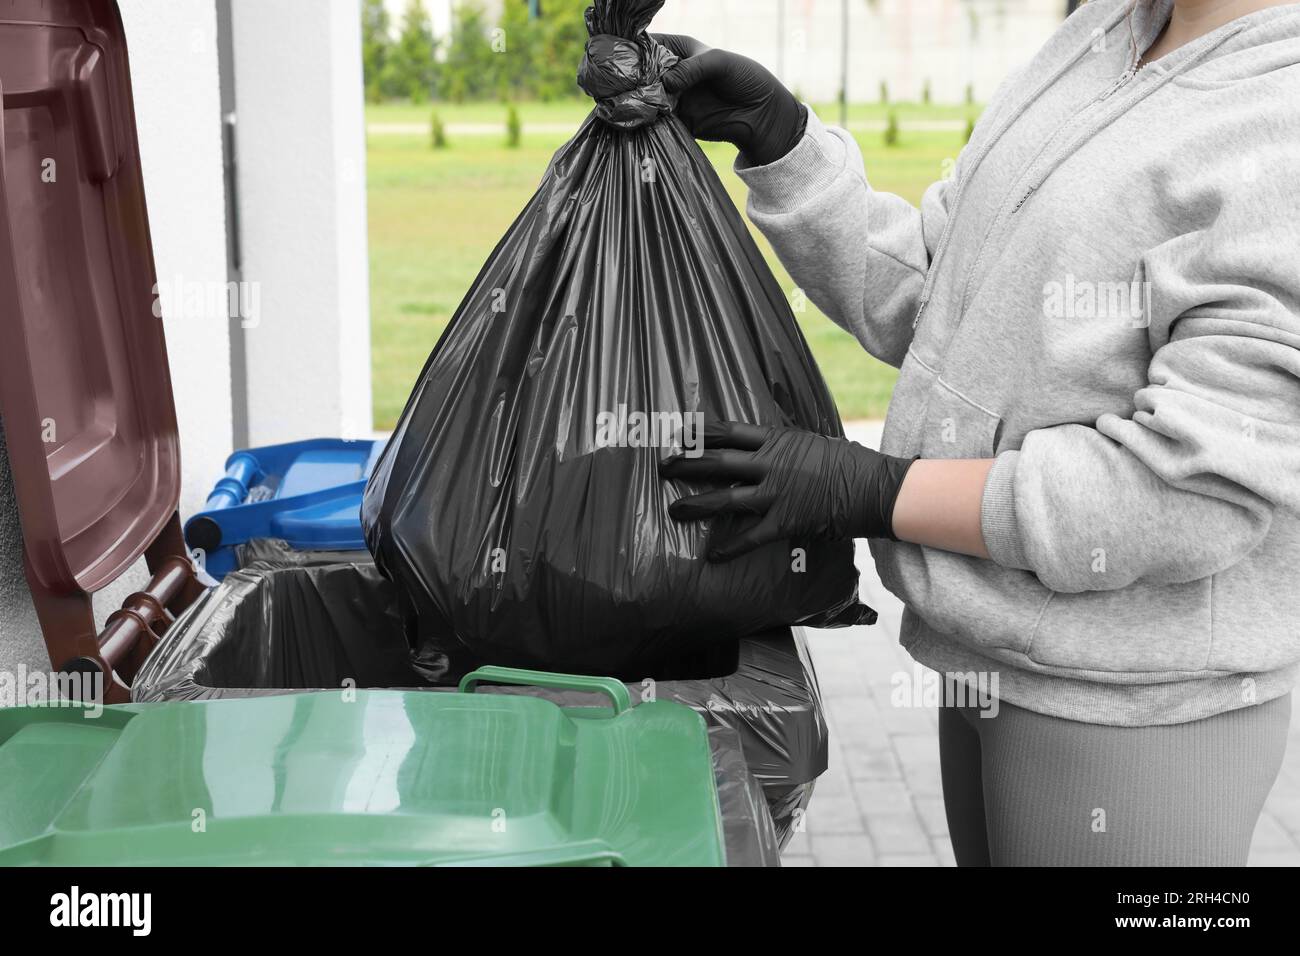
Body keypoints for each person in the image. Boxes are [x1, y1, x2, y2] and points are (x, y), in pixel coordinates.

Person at [656, 0, 1300, 866]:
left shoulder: (1279, 116)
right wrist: (783, 145)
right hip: (990, 646)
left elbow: (1182, 496)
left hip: (1139, 704)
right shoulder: (1107, 33)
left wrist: (877, 492)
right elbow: (948, 296)